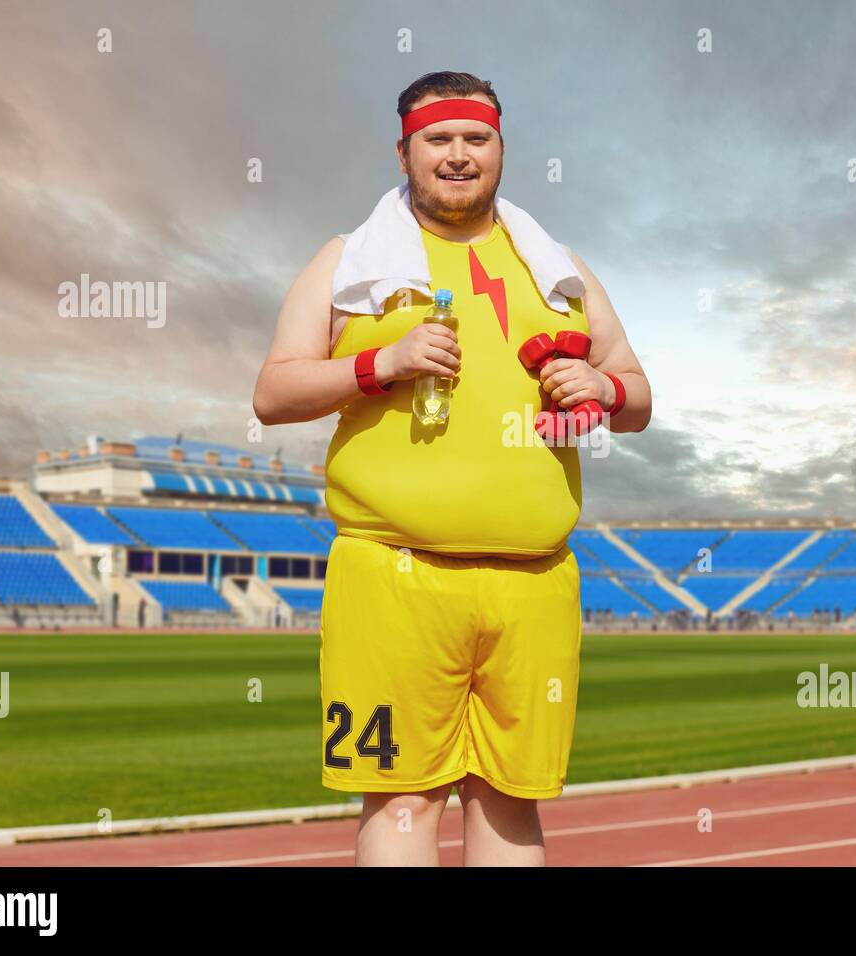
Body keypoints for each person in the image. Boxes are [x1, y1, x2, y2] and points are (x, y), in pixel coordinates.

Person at [253, 71, 651, 866]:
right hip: (395, 574)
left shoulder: (558, 267)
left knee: (510, 800)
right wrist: (380, 363)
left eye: (477, 139)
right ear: (404, 150)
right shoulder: (348, 260)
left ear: (501, 148)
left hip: (535, 580)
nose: (459, 155)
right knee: (403, 800)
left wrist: (603, 387)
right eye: (439, 139)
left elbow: (637, 397)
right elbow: (273, 392)